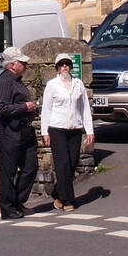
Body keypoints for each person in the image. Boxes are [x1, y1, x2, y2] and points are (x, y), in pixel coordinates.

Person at [41, 53, 96, 212]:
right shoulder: (52, 85)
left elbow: (84, 108)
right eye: (62, 64)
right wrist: (45, 132)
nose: (65, 67)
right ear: (57, 68)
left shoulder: (78, 84)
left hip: (75, 129)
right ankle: (68, 200)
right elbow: (46, 109)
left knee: (72, 163)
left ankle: (58, 192)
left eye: (67, 64)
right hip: (57, 128)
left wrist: (89, 130)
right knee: (62, 163)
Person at [0, 46, 38, 219]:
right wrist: (24, 107)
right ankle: (8, 207)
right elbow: (2, 108)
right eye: (22, 62)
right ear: (12, 64)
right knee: (8, 170)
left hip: (24, 129)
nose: (25, 65)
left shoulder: (17, 80)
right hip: (9, 131)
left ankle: (18, 201)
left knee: (30, 166)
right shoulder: (5, 81)